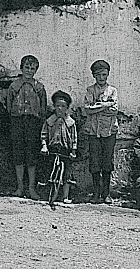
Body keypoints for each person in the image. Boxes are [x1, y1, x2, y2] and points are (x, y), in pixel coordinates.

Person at [0, 55, 47, 200]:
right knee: (18, 153)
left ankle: (31, 188)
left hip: (33, 123)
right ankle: (20, 187)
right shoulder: (14, 86)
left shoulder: (39, 87)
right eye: (27, 67)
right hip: (17, 121)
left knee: (31, 154)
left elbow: (43, 108)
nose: (29, 71)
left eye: (32, 69)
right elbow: (9, 104)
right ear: (21, 68)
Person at [80, 59, 120, 204]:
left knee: (107, 162)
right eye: (98, 75)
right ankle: (96, 193)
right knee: (95, 161)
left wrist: (97, 106)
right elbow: (87, 109)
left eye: (104, 74)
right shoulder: (90, 90)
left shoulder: (113, 91)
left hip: (109, 131)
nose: (101, 78)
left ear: (108, 74)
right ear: (94, 76)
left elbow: (114, 110)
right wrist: (105, 105)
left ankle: (106, 193)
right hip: (93, 131)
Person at [40, 90, 79, 204]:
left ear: (67, 108)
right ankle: (47, 191)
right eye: (57, 106)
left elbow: (74, 137)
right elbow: (44, 134)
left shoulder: (71, 123)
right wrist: (44, 146)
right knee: (48, 169)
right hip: (52, 149)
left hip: (65, 150)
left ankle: (65, 196)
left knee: (67, 173)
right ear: (54, 107)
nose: (60, 109)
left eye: (63, 106)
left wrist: (73, 150)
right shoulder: (49, 121)